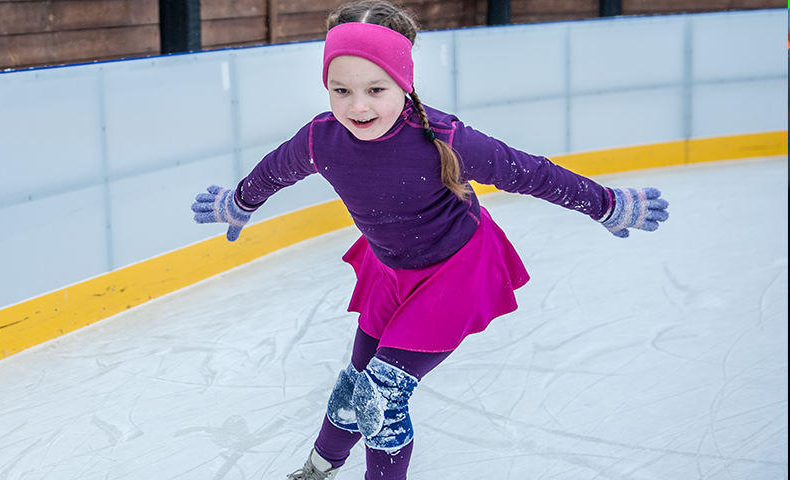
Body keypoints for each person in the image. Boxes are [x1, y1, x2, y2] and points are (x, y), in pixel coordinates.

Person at [190, 1, 670, 479]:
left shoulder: (442, 137)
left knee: (381, 396)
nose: (358, 106)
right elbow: (275, 170)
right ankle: (318, 469)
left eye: (376, 89)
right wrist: (240, 204)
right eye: (341, 90)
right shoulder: (321, 138)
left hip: (454, 274)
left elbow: (529, 172)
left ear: (404, 83)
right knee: (356, 384)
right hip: (391, 270)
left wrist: (605, 203)